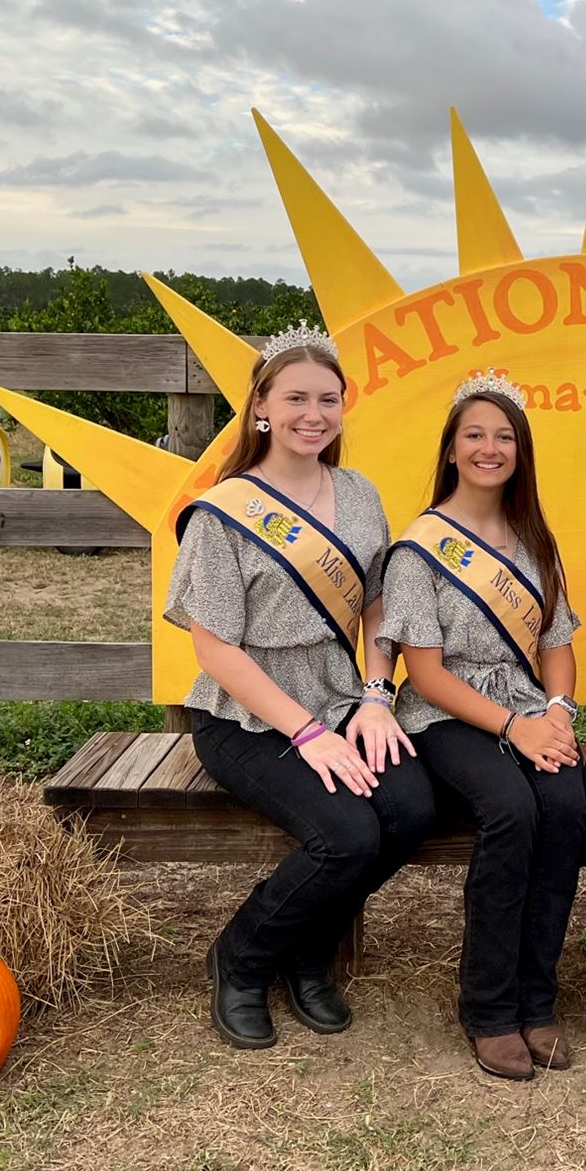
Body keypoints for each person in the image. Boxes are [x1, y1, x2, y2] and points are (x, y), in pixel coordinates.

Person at [165, 323, 432, 1050]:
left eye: (328, 399)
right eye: (295, 398)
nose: (313, 414)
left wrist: (377, 696)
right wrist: (308, 734)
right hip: (246, 712)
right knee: (346, 835)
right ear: (260, 407)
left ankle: (308, 954)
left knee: (410, 808)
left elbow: (378, 607)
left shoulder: (359, 493)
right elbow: (216, 649)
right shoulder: (226, 511)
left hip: (341, 693)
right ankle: (244, 960)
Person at [378, 369, 584, 1082]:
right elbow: (426, 674)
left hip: (529, 707)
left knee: (566, 803)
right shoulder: (419, 546)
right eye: (475, 435)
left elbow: (557, 649)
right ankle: (489, 1009)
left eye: (504, 437)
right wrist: (515, 730)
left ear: (520, 452)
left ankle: (537, 1001)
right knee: (510, 807)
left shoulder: (536, 539)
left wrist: (556, 714)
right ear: (451, 449)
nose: (490, 448)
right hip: (445, 715)